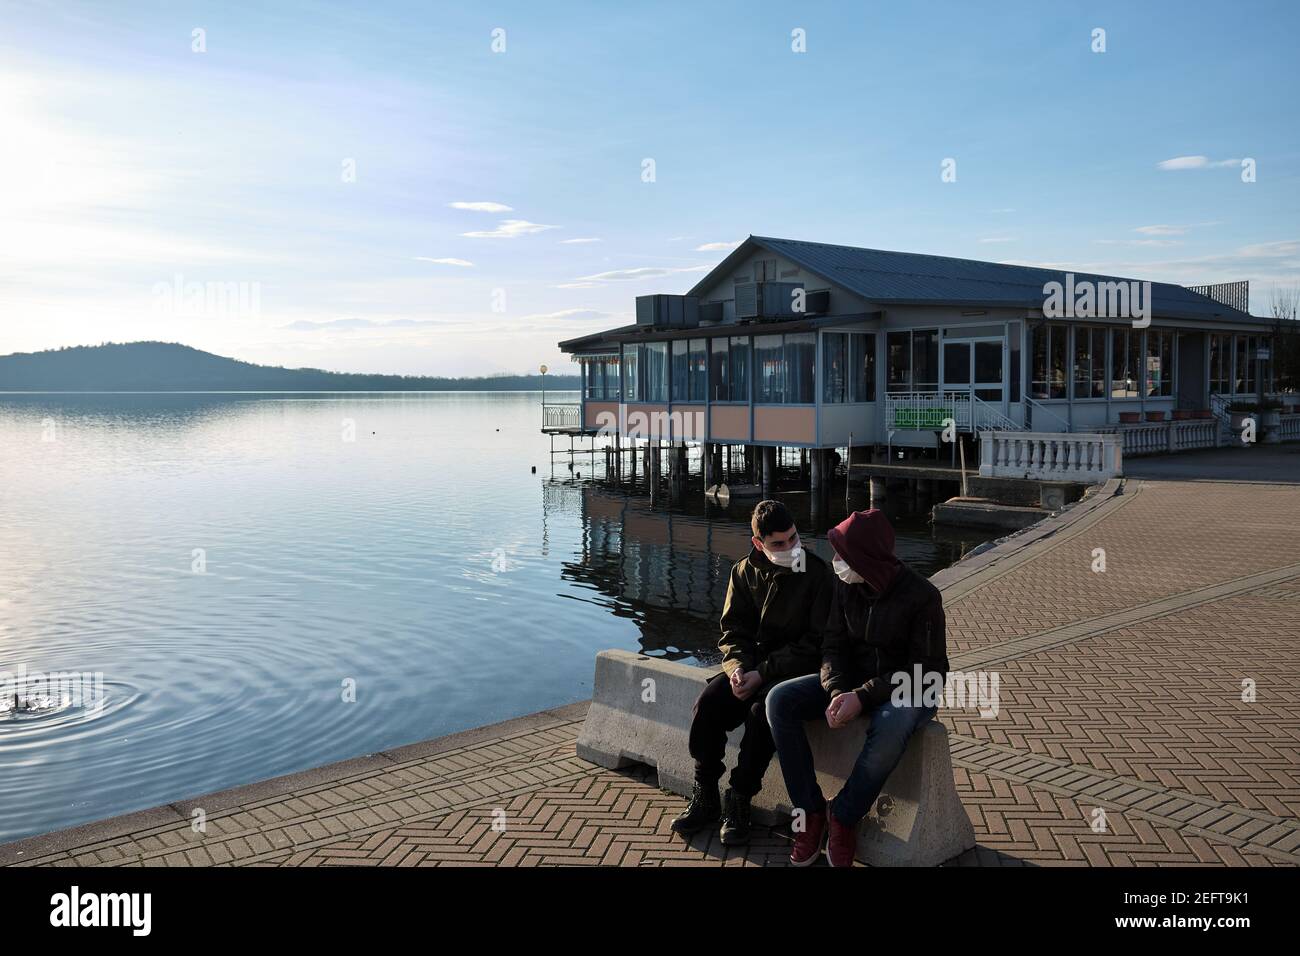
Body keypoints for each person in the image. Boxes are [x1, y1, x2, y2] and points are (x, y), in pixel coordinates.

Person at [765, 507, 948, 867]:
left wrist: (862, 696)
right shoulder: (845, 583)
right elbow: (832, 645)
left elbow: (928, 672)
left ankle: (844, 817)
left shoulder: (923, 597)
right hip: (851, 684)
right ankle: (812, 812)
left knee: (893, 723)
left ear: (865, 558)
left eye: (842, 554)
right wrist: (835, 692)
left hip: (907, 689)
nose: (835, 561)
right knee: (779, 700)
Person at [670, 499, 832, 845]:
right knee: (708, 703)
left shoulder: (817, 574)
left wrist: (764, 673)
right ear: (758, 543)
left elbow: (815, 644)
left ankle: (739, 798)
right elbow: (731, 632)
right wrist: (736, 669)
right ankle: (706, 792)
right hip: (750, 668)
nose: (789, 547)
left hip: (787, 674)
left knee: (763, 715)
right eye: (778, 543)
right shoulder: (742, 572)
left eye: (793, 538)